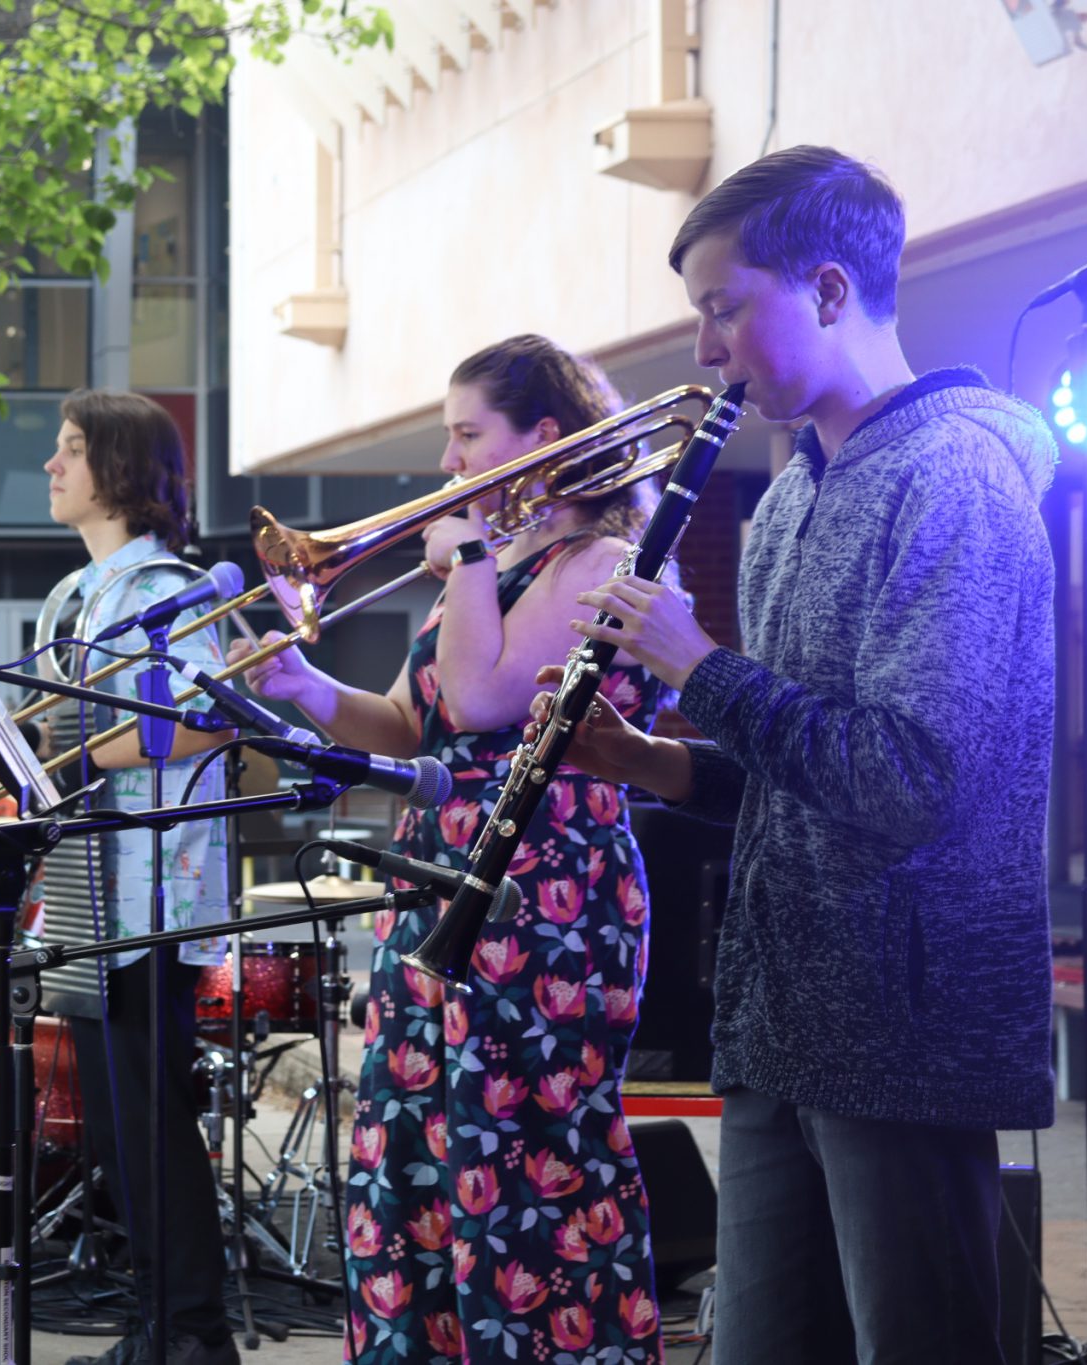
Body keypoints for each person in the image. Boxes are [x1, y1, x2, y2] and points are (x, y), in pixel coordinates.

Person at [532, 146, 1057, 1363]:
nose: (706, 349)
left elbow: (909, 781)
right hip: (778, 1016)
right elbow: (793, 776)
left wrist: (694, 665)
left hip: (903, 1028)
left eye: (723, 309)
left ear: (825, 291)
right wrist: (655, 763)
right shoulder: (788, 496)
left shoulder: (953, 480)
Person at [230, 336, 671, 1364]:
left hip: (542, 901)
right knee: (420, 1148)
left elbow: (483, 699)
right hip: (436, 888)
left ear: (541, 441)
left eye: (467, 435)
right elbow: (410, 722)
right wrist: (304, 691)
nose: (446, 462)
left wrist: (465, 556)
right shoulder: (488, 565)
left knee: (518, 1158)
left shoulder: (596, 565)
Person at [40, 389, 240, 1365]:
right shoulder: (80, 597)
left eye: (70, 450)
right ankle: (155, 1327)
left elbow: (201, 716)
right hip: (91, 888)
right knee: (117, 1140)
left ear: (118, 470)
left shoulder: (168, 587)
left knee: (150, 1135)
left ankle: (191, 1338)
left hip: (145, 895)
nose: (51, 466)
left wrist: (74, 759)